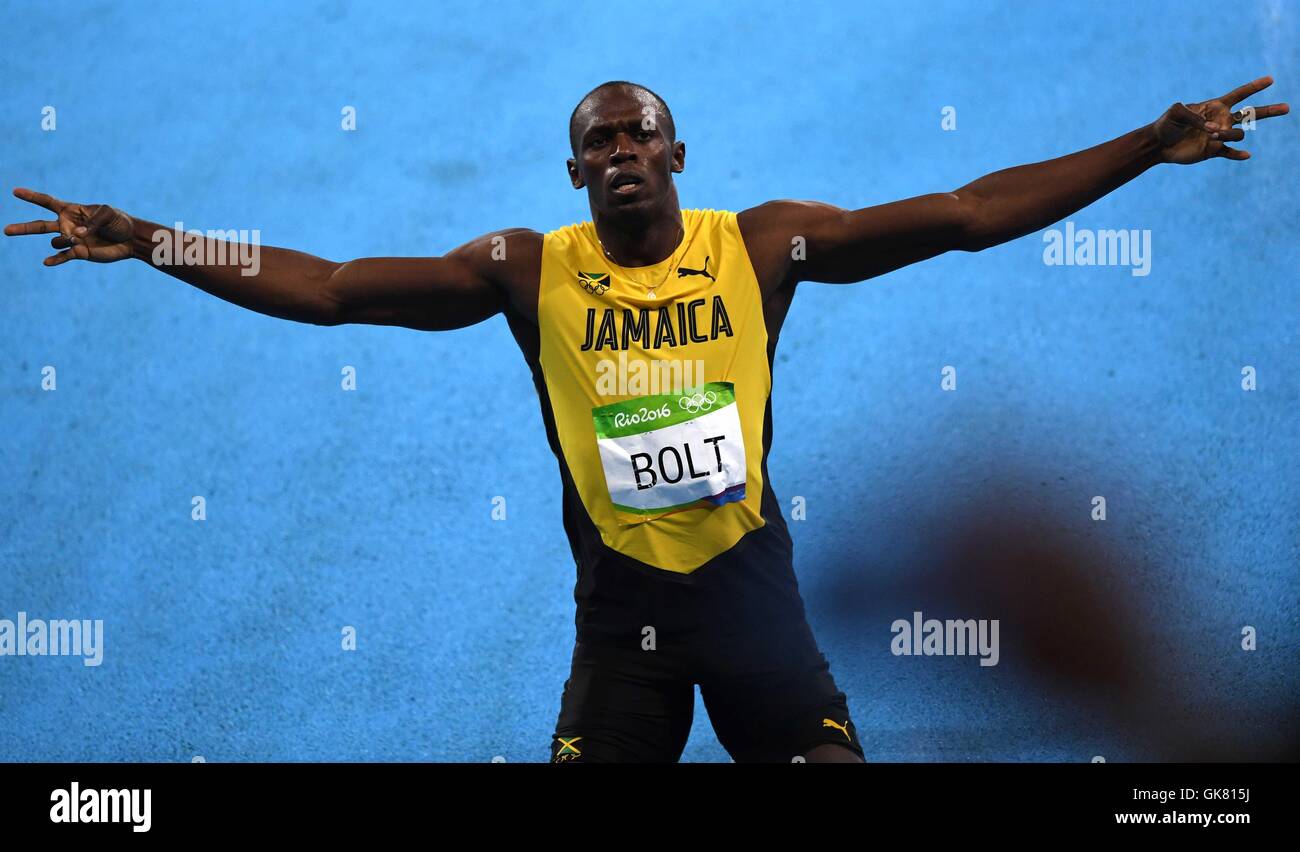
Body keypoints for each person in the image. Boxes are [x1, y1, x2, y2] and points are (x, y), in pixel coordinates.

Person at [5, 77, 1287, 763]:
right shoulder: (524, 267)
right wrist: (157, 238)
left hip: (754, 595)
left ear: (678, 155)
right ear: (573, 172)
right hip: (623, 618)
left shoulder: (765, 245)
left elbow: (960, 212)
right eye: (596, 142)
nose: (619, 151)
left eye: (641, 134)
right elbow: (333, 289)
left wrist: (1142, 143)